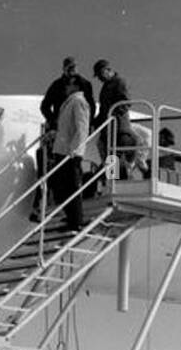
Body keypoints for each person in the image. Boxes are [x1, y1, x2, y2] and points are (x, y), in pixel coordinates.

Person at [51, 84, 93, 231]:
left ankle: (76, 220)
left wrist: (74, 150)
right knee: (62, 187)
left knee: (71, 187)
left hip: (70, 153)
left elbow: (82, 128)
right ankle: (71, 217)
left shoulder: (78, 101)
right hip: (63, 151)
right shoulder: (69, 102)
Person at [93, 59, 137, 180]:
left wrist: (113, 116)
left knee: (118, 158)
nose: (100, 79)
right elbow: (103, 111)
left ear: (107, 70)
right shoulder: (104, 88)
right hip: (108, 130)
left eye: (100, 75)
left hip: (120, 128)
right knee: (110, 156)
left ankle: (123, 182)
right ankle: (111, 182)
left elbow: (126, 101)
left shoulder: (119, 82)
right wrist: (94, 123)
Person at [40, 57, 95, 132]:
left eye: (74, 67)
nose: (72, 70)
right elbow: (45, 106)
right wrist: (53, 120)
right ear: (64, 69)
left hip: (79, 126)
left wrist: (88, 121)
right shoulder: (56, 85)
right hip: (62, 126)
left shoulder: (85, 85)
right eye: (70, 67)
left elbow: (91, 105)